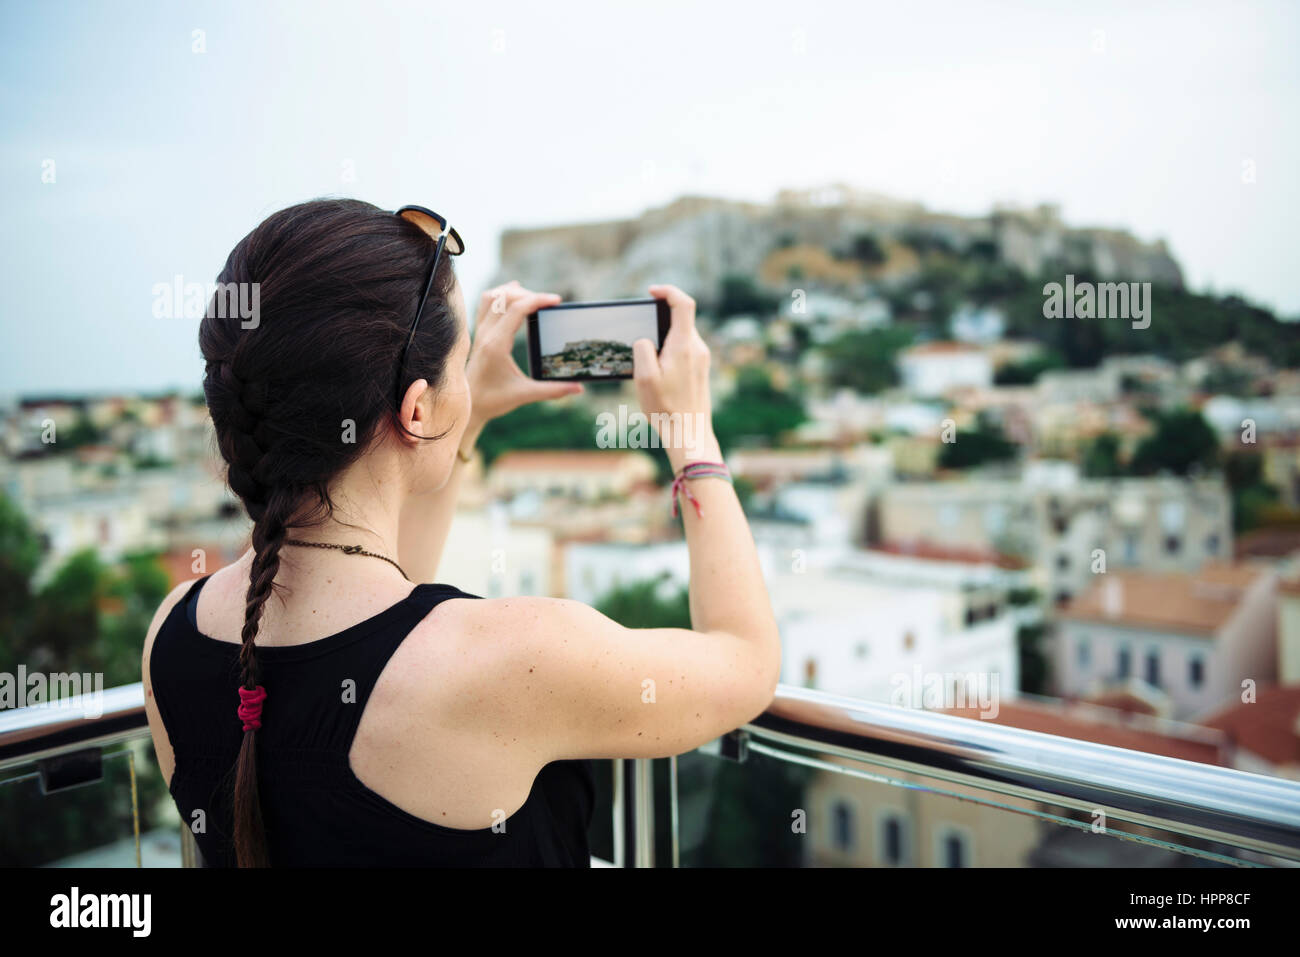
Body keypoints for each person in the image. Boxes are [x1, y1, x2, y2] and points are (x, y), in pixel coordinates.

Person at [141, 198, 781, 867]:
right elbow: (746, 662)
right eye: (457, 369)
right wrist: (692, 434)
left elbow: (374, 614)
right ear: (415, 406)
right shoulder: (513, 658)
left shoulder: (173, 634)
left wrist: (458, 414)